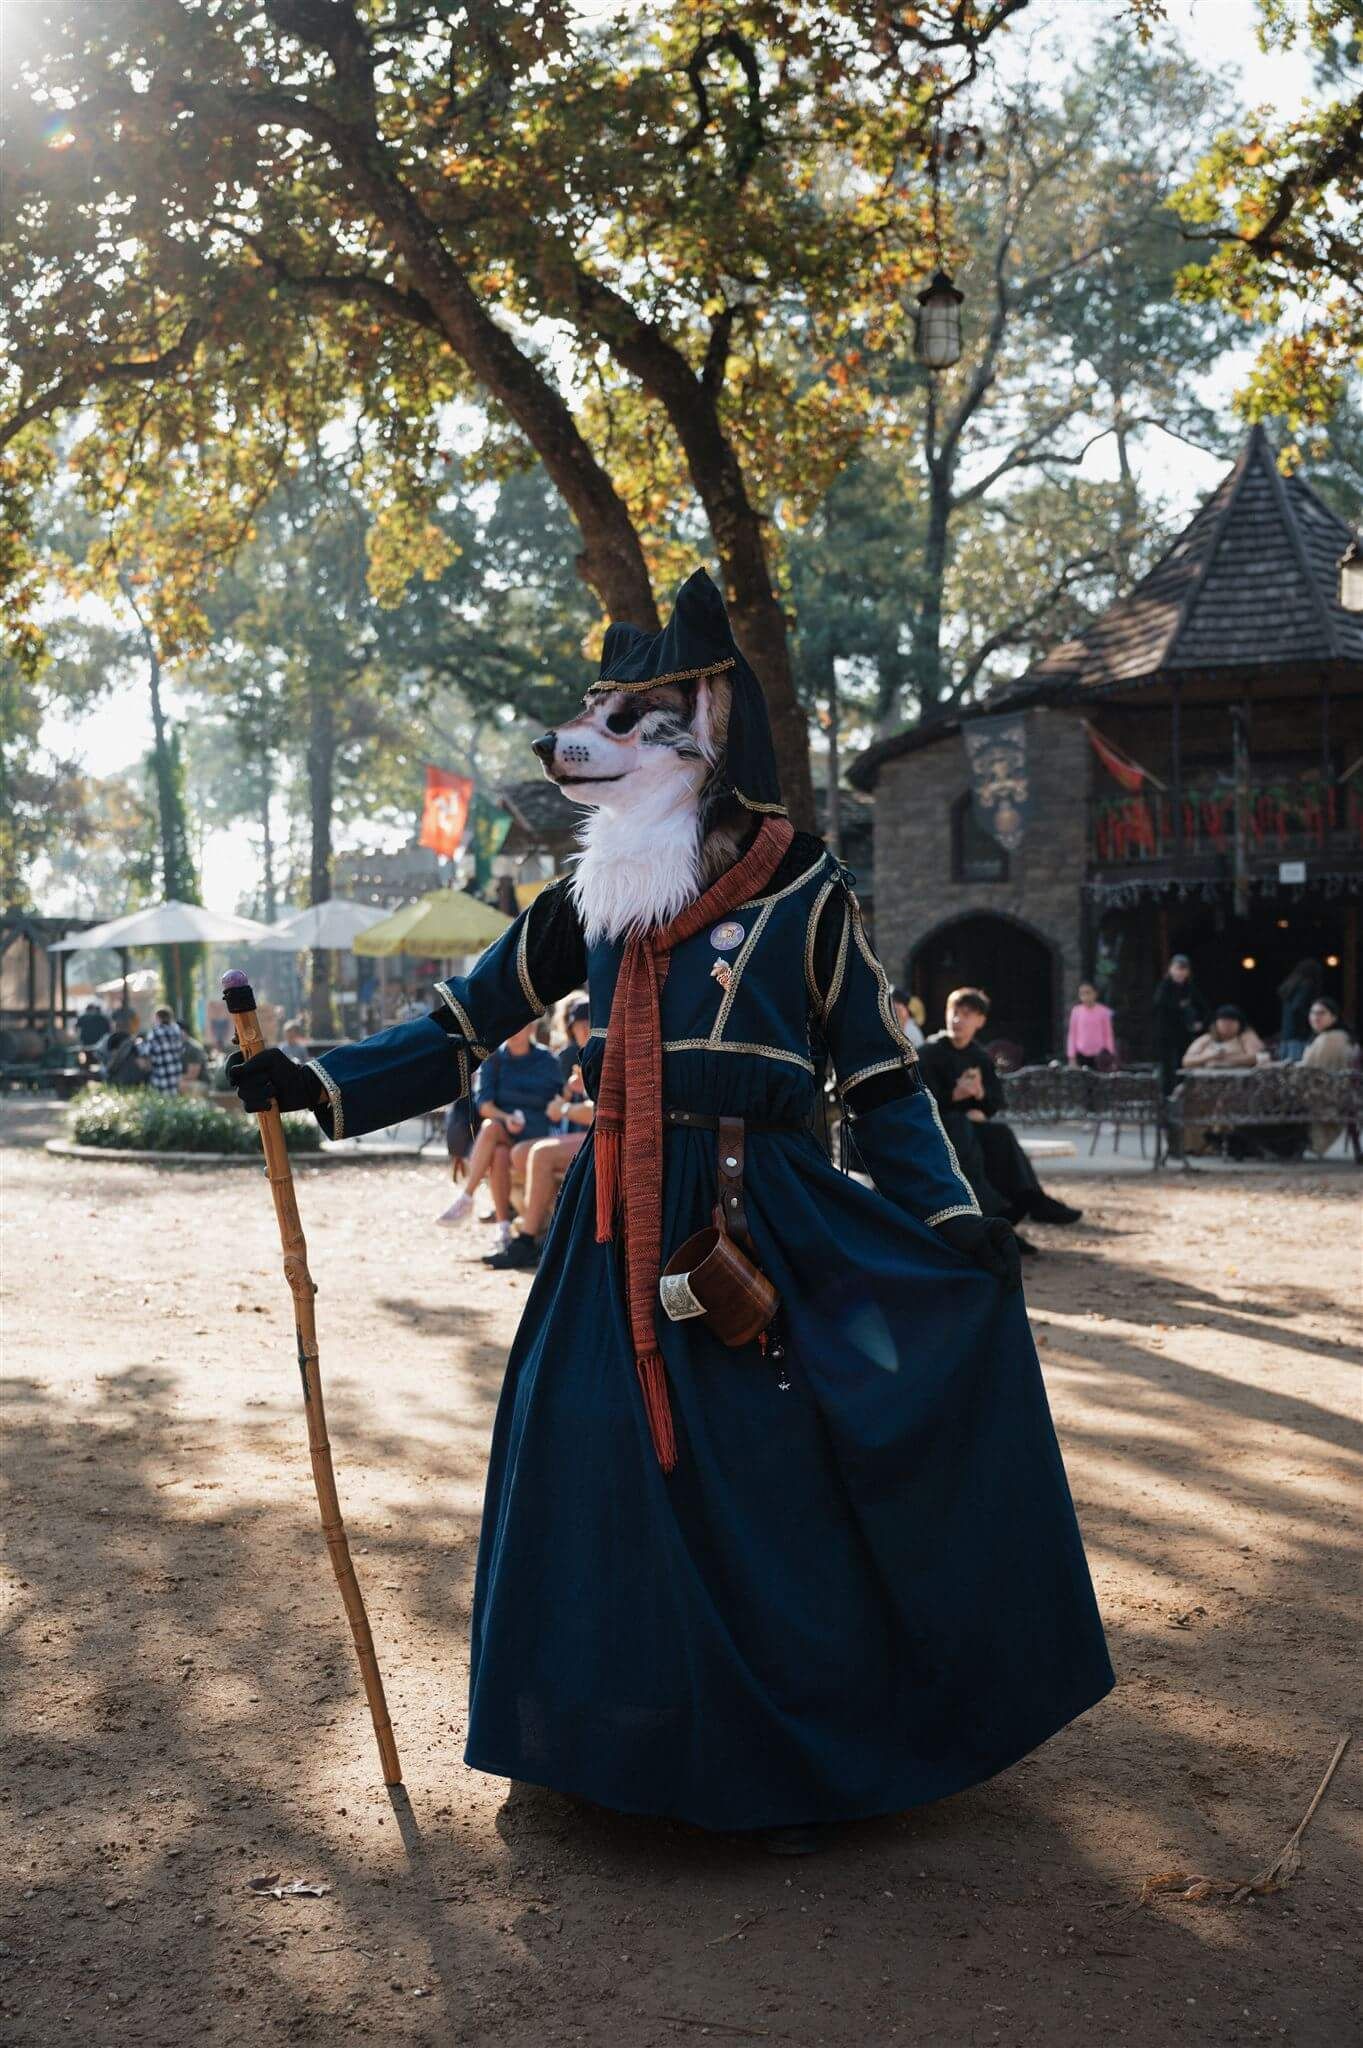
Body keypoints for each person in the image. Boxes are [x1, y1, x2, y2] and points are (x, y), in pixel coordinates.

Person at [229, 566, 1111, 1847]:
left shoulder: (799, 879)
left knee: (771, 1467)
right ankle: (614, 1744)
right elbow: (460, 1022)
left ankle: (784, 1750)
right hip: (609, 1220)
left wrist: (948, 1212)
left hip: (765, 1214)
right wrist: (311, 1078)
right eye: (597, 710)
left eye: (635, 711)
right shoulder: (584, 898)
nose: (594, 736)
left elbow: (871, 1070)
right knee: (587, 1446)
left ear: (701, 720)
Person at [918, 989, 1083, 1241]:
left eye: (966, 1014)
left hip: (970, 1127)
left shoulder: (979, 1056)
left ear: (980, 1021)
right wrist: (955, 1096)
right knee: (962, 1131)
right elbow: (919, 1102)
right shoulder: (929, 1052)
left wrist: (981, 1097)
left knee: (1001, 1134)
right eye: (954, 1012)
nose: (957, 1020)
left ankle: (1030, 1198)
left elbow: (994, 1103)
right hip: (939, 1129)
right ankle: (990, 1221)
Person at [485, 995, 596, 1272]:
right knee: (516, 1152)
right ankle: (538, 1228)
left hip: (608, 1136)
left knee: (539, 1153)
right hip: (585, 1134)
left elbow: (601, 1112)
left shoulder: (603, 1052)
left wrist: (566, 1108)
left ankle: (527, 1240)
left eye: (587, 1024)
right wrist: (573, 1093)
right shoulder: (583, 1056)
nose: (581, 1030)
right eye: (577, 1025)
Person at [436, 1024, 562, 1246]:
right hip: (505, 1129)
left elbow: (560, 1097)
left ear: (531, 1027)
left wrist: (557, 1105)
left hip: (537, 1131)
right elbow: (484, 1105)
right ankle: (503, 1228)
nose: (514, 1031)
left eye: (521, 1025)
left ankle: (468, 1196)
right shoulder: (494, 1060)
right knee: (498, 1149)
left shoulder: (547, 1061)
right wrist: (506, 1118)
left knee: (493, 1135)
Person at [1301, 995, 1354, 1157]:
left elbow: (1314, 1072)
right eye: (1313, 1013)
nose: (1315, 1017)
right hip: (1326, 1090)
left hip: (1327, 1095)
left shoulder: (1331, 1039)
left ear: (1333, 1016)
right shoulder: (1327, 1037)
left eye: (1321, 1013)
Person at [1152, 954, 1207, 1097]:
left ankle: (1184, 1096)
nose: (1180, 972)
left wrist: (1198, 1022)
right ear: (1171, 969)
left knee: (1183, 1065)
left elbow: (1203, 1008)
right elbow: (1160, 1005)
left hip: (1184, 1034)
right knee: (1167, 1067)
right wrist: (1179, 1006)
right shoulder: (1164, 987)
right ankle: (1166, 1098)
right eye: (1177, 968)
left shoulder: (1189, 988)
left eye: (1184, 969)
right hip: (1166, 1034)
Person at [1181, 1005, 1266, 1072]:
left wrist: (1223, 1060)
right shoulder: (1207, 1038)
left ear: (1239, 1023)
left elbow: (1257, 1057)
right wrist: (1209, 1056)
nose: (1227, 1026)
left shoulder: (1246, 1036)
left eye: (1231, 1022)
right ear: (1216, 1023)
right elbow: (1187, 1061)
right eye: (1224, 1022)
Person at [1276, 958, 1323, 1062]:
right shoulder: (1306, 984)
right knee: (1297, 1068)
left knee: (1286, 1070)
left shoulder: (1291, 985)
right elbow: (1297, 1007)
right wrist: (1311, 1019)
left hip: (1287, 1032)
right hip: (1299, 1033)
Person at [1066, 982, 1116, 1068]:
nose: (1085, 996)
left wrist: (1111, 1055)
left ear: (1095, 994)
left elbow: (1108, 1034)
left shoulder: (1103, 1012)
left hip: (1099, 1054)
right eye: (1082, 993)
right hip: (1081, 1053)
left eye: (1088, 992)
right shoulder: (1076, 1011)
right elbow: (1072, 1034)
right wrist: (1071, 1057)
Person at [145, 1006, 186, 1094]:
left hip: (161, 1074)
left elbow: (148, 1053)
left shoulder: (154, 1033)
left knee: (162, 1101)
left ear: (158, 1018)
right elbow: (181, 1050)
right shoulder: (177, 1030)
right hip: (176, 1073)